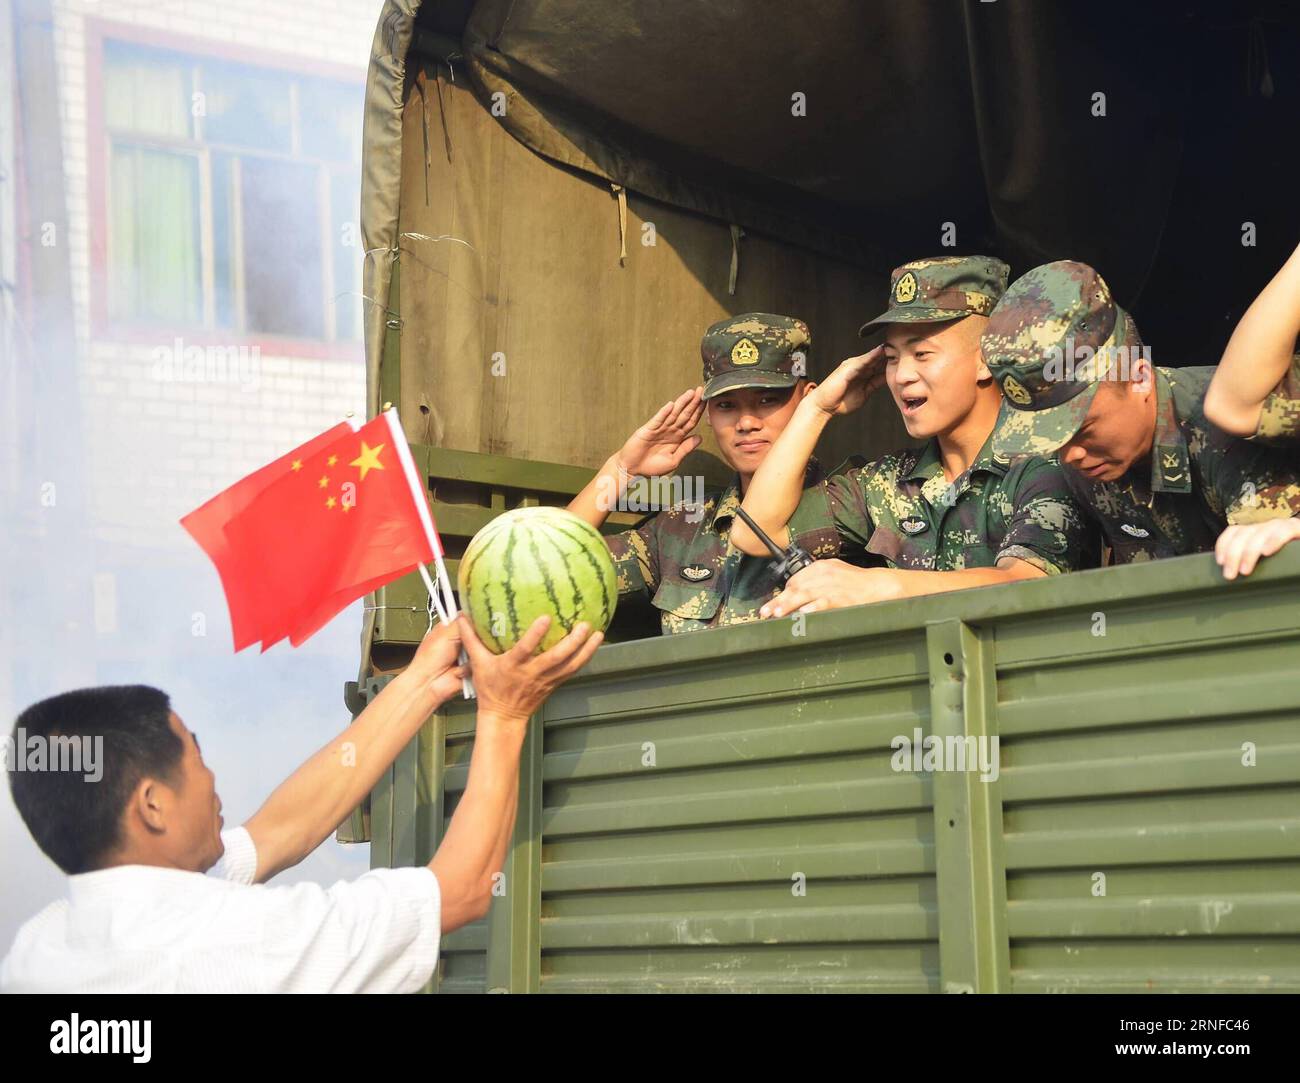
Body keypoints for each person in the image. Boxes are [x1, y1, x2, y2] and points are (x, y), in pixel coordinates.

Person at [1, 614, 601, 993]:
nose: (213, 781)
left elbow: (280, 830)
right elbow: (464, 886)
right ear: (152, 806)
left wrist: (421, 683)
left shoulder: (38, 949)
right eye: (196, 754)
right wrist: (506, 712)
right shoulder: (241, 940)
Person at [730, 256, 1099, 616]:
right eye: (892, 357)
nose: (902, 375)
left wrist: (878, 587)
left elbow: (1026, 582)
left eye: (922, 353)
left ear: (986, 357)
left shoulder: (1049, 462)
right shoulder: (889, 482)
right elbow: (754, 531)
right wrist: (816, 410)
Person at [984, 260, 1300, 580]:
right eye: (1055, 439)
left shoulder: (1217, 436)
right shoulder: (1083, 469)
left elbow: (1273, 585)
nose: (1071, 454)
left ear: (1140, 378)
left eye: (1083, 430)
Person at [567, 313, 855, 633]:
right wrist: (621, 469)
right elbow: (554, 575)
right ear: (708, 414)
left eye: (767, 400)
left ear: (808, 397)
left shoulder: (850, 509)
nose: (746, 423)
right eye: (726, 405)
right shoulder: (681, 529)